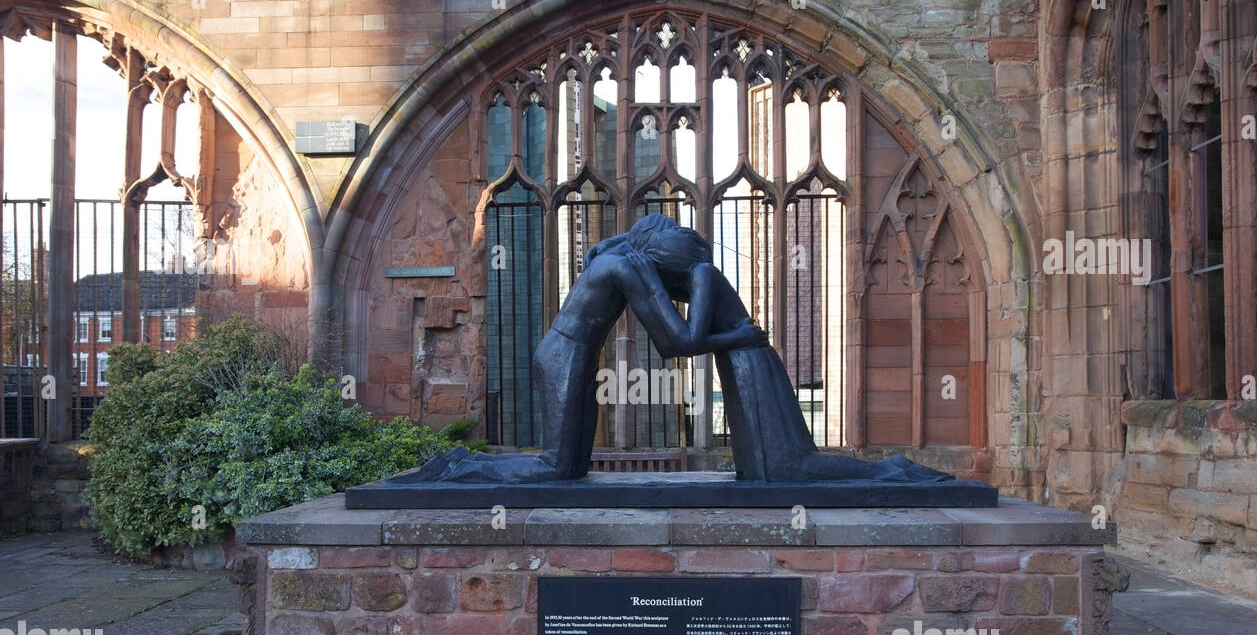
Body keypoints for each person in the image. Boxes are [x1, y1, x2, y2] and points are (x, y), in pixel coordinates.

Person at [400, 214, 950, 484]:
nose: (681, 281)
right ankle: (461, 468)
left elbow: (670, 327)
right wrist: (739, 334)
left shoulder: (619, 257)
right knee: (554, 470)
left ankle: (463, 466)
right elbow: (674, 341)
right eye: (678, 268)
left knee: (561, 470)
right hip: (564, 358)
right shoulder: (624, 265)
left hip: (565, 356)